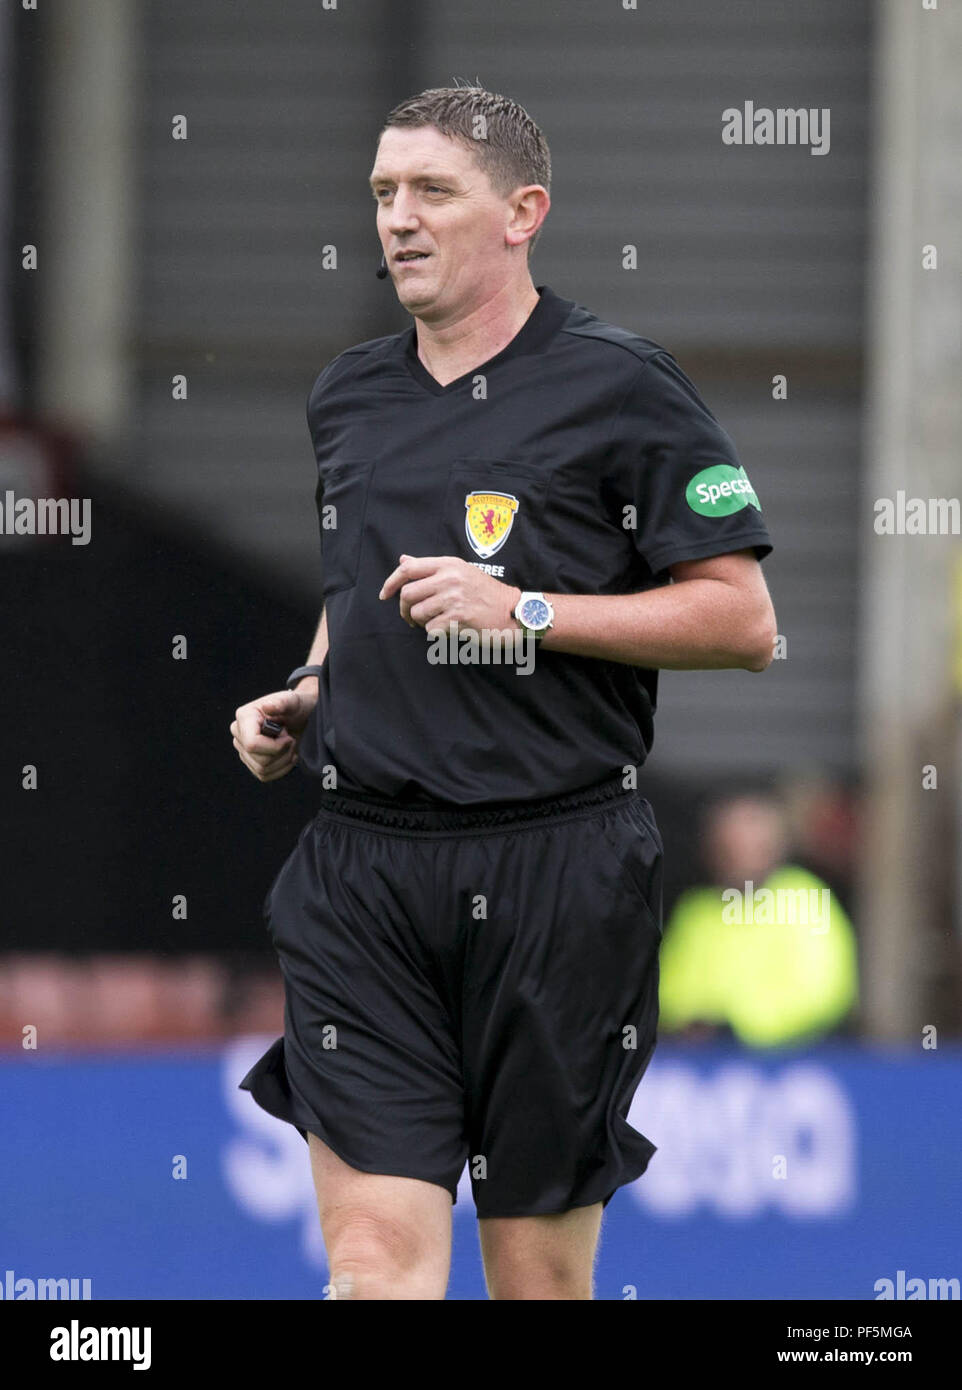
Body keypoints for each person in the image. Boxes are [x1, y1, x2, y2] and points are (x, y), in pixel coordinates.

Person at [229, 84, 777, 1300]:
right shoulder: (349, 395)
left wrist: (525, 609)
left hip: (556, 872)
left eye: (433, 191)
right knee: (371, 1268)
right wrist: (315, 683)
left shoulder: (620, 386)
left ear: (523, 211)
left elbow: (742, 621)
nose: (398, 220)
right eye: (382, 193)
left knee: (532, 1280)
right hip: (363, 875)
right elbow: (361, 580)